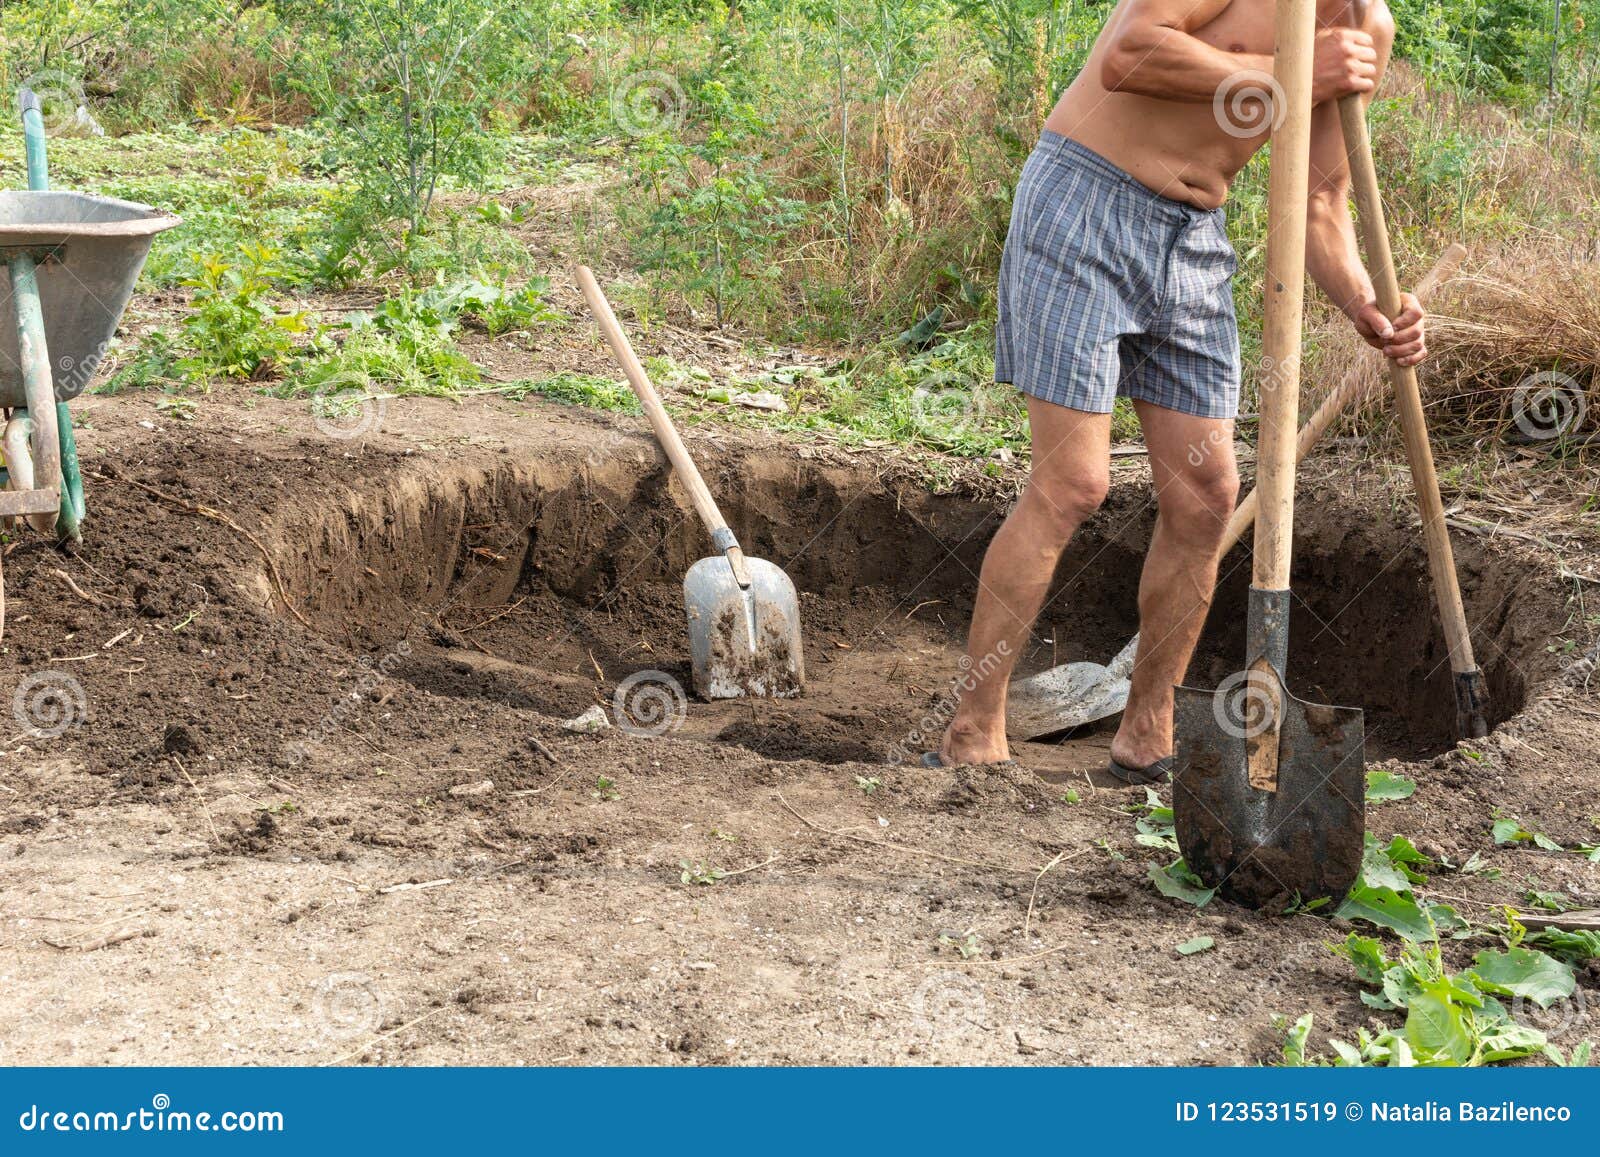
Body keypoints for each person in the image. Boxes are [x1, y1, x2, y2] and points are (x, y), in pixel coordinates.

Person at [931, 0, 1427, 780]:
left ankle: (1148, 732)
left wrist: (1366, 301)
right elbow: (1130, 53)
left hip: (1193, 236)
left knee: (1205, 494)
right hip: (1086, 203)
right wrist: (1292, 73)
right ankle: (972, 727)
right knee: (1072, 483)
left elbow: (1321, 204)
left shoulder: (1369, 29)